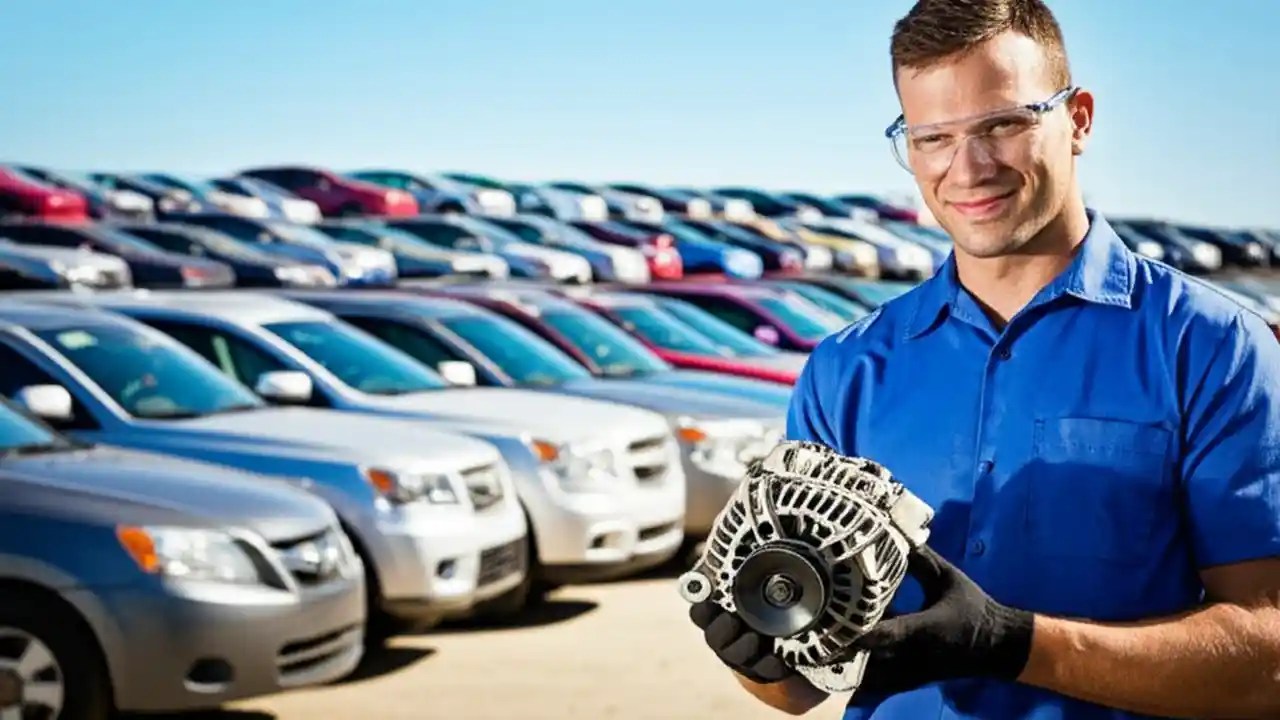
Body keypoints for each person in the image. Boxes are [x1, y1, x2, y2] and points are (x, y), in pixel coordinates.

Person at [687, 0, 1280, 718]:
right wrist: (758, 650)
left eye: (1002, 124)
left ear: (1079, 119)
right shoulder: (847, 369)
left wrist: (1010, 643)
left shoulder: (1211, 347)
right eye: (932, 136)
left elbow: (1265, 663)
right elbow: (798, 690)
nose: (967, 168)